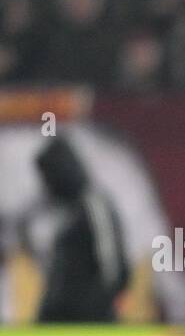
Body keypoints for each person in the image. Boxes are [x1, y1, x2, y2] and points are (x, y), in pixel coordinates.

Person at [30, 137, 129, 322]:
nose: (47, 185)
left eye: (49, 175)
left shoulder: (94, 203)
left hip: (90, 317)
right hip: (59, 314)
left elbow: (112, 263)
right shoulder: (66, 211)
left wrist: (101, 303)